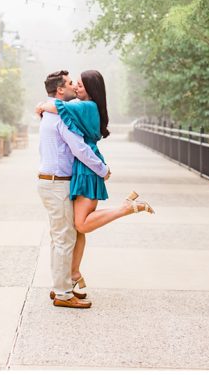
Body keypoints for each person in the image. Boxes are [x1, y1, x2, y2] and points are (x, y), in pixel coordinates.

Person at [37, 70, 154, 297]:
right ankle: (70, 277)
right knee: (75, 231)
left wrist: (43, 106)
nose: (76, 87)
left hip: (86, 169)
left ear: (89, 89)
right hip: (81, 170)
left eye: (79, 84)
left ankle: (127, 207)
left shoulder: (85, 107)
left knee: (78, 227)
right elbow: (59, 111)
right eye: (73, 83)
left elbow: (75, 140)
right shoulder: (83, 108)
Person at [38, 70, 109, 309]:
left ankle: (62, 286)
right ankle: (63, 293)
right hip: (57, 182)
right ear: (60, 90)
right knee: (64, 238)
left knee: (60, 237)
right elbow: (79, 148)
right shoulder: (61, 117)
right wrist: (102, 169)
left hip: (54, 182)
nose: (73, 87)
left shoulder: (55, 113)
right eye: (70, 84)